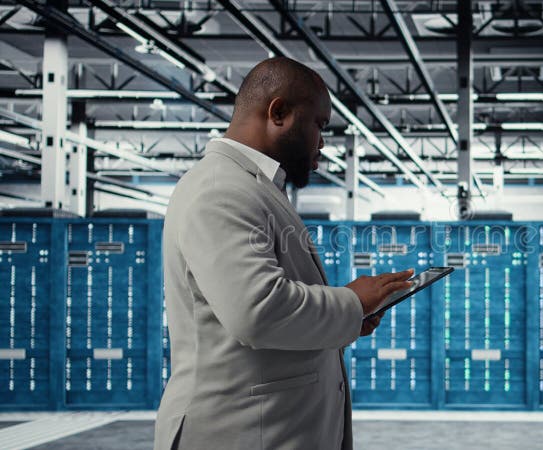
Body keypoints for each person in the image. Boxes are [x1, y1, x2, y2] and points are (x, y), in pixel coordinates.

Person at [154, 57, 413, 450]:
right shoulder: (220, 190)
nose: (323, 142)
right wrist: (351, 302)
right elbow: (257, 310)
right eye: (319, 125)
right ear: (279, 113)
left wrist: (345, 320)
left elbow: (261, 309)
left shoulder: (253, 187)